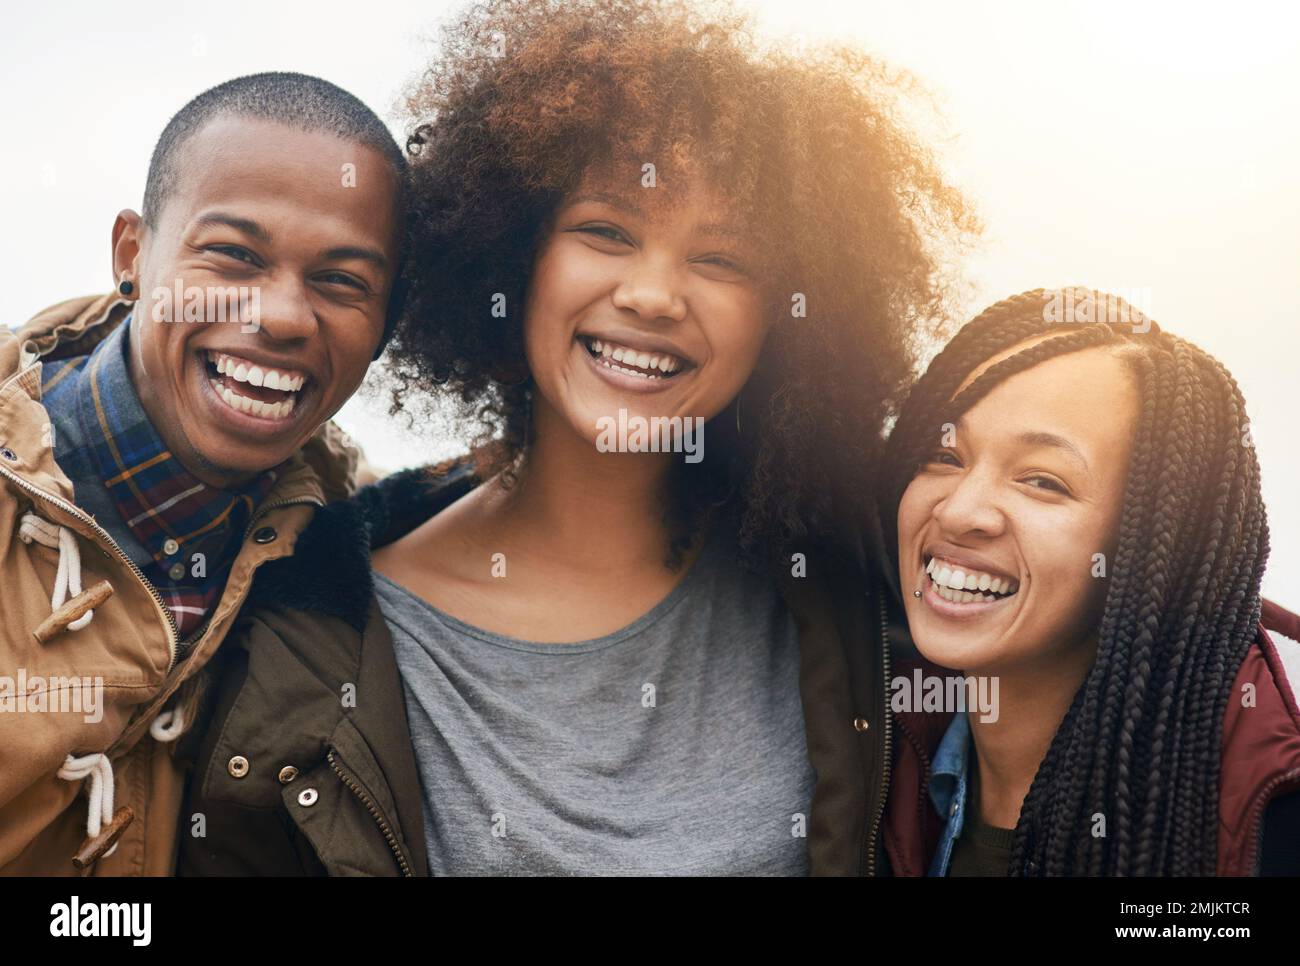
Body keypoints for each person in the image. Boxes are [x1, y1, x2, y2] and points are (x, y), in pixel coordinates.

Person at [178, 0, 976, 875]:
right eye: (606, 232)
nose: (654, 295)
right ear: (513, 256)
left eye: (721, 260)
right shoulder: (314, 625)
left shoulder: (855, 588)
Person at [0, 72, 406, 875]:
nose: (282, 316)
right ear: (133, 254)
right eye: (233, 256)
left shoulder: (364, 546)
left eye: (341, 281)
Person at [879, 287, 1300, 876]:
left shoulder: (1277, 800)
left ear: (1154, 540)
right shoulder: (866, 733)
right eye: (946, 457)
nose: (958, 510)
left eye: (1042, 481)